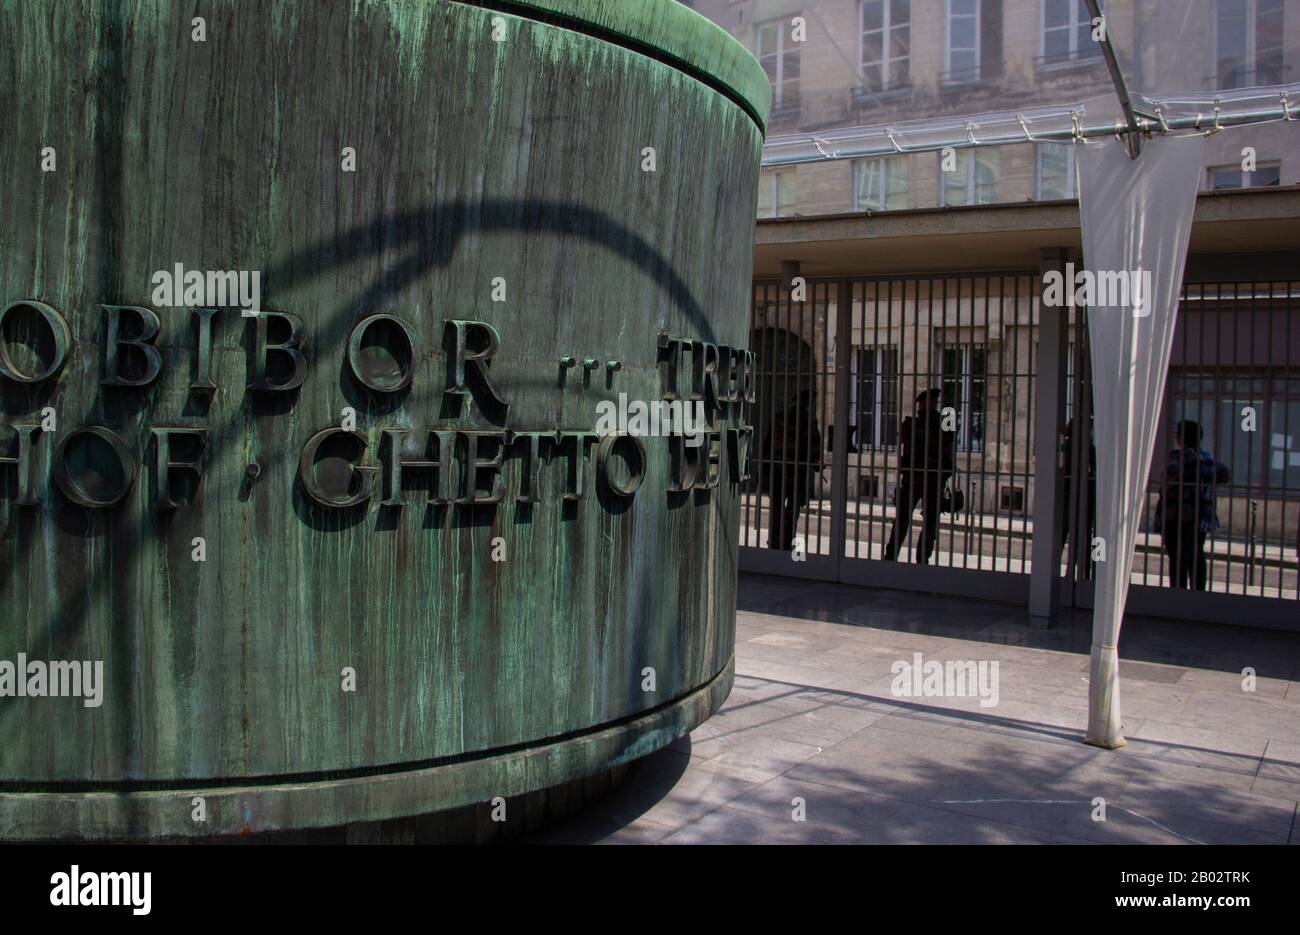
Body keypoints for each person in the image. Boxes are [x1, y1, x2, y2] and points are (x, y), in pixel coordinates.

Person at [1154, 419, 1230, 590]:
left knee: (1177, 557)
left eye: (1177, 434)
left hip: (1178, 515)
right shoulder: (1208, 458)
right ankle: (1198, 593)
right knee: (1196, 554)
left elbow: (1166, 484)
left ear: (1182, 437)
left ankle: (1178, 594)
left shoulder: (1178, 457)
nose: (1175, 437)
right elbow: (1225, 474)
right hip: (1201, 516)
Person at [883, 388, 955, 563]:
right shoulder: (944, 421)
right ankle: (922, 560)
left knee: (902, 521)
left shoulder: (910, 424)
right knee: (929, 523)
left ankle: (891, 557)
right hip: (932, 479)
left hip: (913, 478)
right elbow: (949, 448)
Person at [760, 390, 822, 551]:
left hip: (778, 470)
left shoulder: (781, 418)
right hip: (795, 473)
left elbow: (767, 444)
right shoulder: (808, 422)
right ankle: (786, 541)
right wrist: (816, 462)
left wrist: (765, 466)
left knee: (777, 509)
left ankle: (775, 541)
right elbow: (815, 446)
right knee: (792, 511)